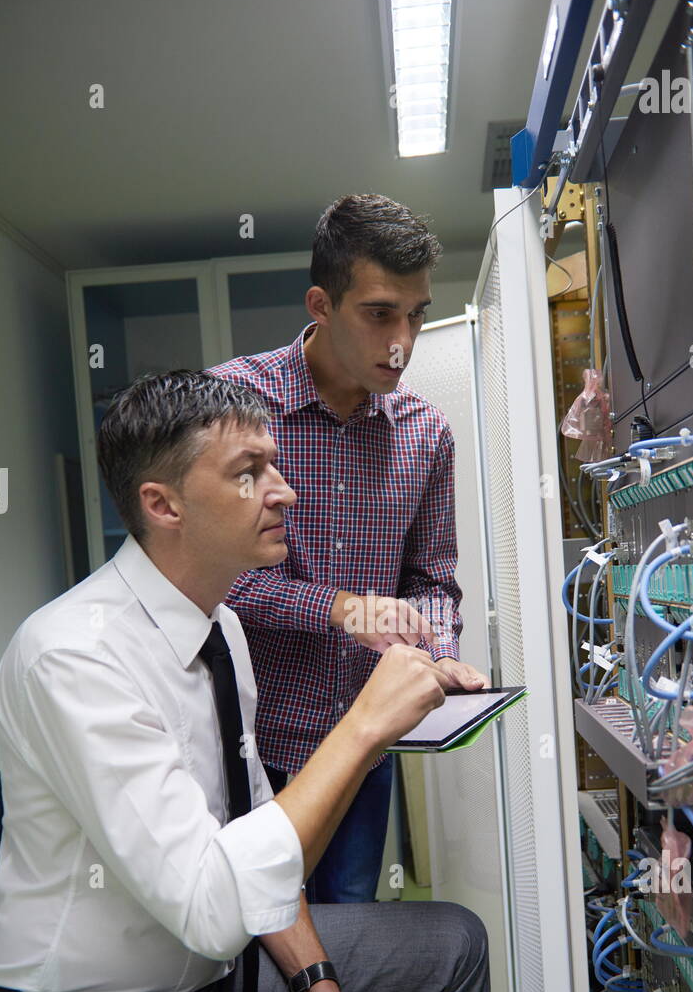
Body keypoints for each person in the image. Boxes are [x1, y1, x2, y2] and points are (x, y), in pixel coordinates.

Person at [0, 372, 555, 992]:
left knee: (446, 946)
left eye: (274, 466)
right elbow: (209, 902)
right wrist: (361, 725)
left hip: (206, 977)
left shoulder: (222, 632)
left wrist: (313, 972)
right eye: (248, 473)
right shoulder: (71, 656)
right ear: (162, 503)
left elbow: (252, 835)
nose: (282, 490)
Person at [207, 193, 490, 909]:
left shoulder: (426, 434)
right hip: (246, 747)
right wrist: (338, 608)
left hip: (364, 751)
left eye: (417, 315)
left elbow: (432, 581)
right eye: (379, 313)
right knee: (246, 954)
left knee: (348, 957)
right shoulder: (231, 405)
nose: (402, 341)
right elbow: (207, 579)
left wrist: (432, 647)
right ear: (321, 304)